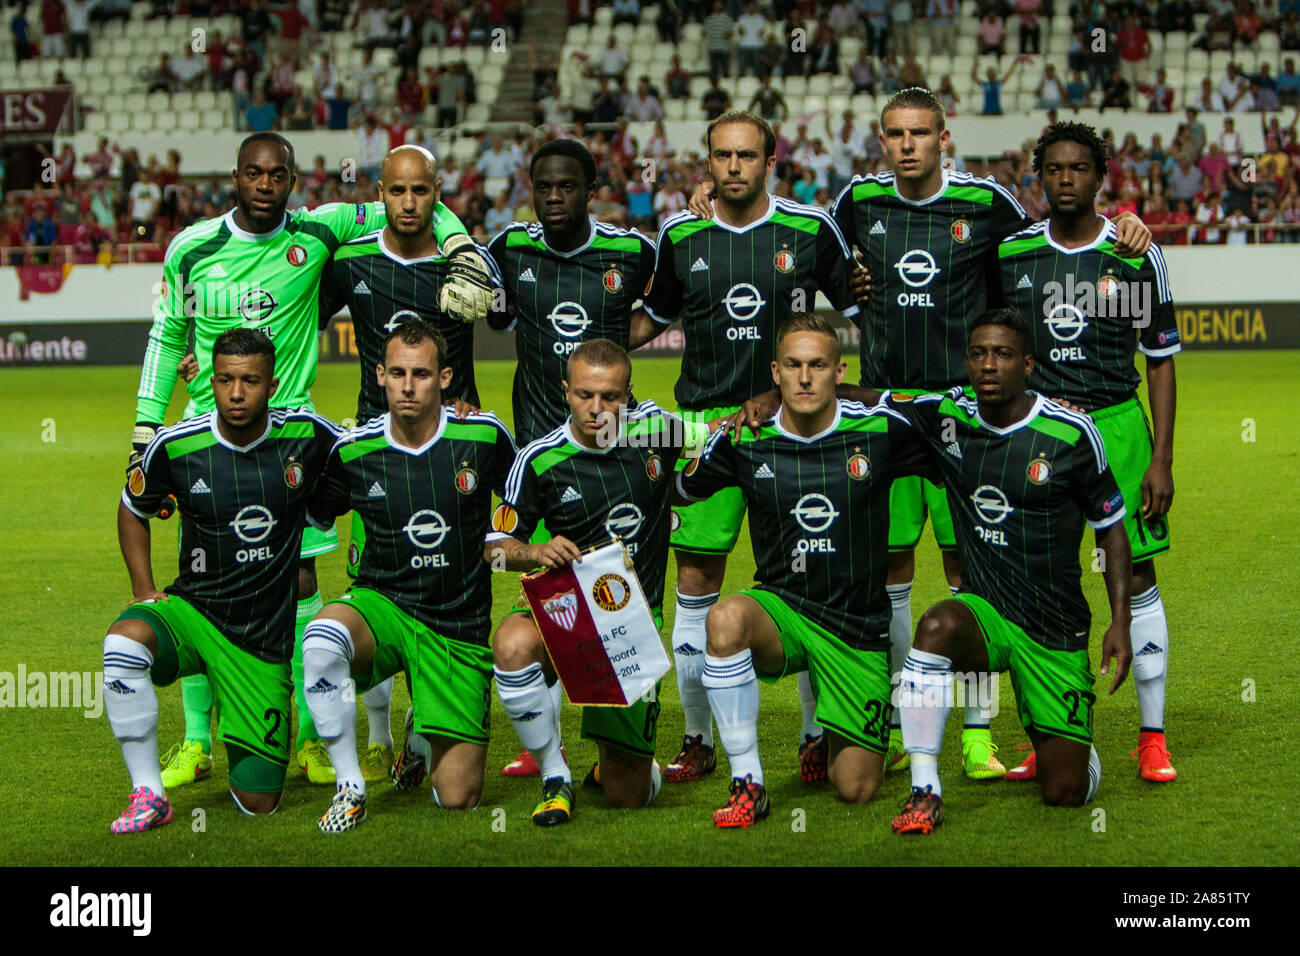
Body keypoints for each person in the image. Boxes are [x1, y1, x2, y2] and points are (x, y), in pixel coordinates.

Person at [735, 88, 1150, 778]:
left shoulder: (987, 205)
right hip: (889, 421)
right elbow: (800, 247)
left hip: (971, 421)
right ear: (882, 138)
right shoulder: (856, 205)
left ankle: (977, 735)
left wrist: (1124, 226)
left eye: (919, 133)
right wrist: (705, 208)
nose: (907, 145)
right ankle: (894, 719)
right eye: (895, 133)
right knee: (881, 574)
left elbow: (1049, 236)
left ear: (942, 137)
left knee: (975, 580)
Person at [133, 132, 485, 792]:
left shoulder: (319, 231)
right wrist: (146, 426)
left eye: (278, 175)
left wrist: (462, 245)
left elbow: (411, 200)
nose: (265, 184)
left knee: (299, 582)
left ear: (293, 180)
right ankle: (197, 740)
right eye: (253, 174)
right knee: (207, 589)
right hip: (208, 439)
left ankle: (311, 742)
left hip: (295, 441)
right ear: (234, 177)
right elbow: (164, 336)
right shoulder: (192, 248)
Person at [648, 110, 861, 788]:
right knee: (694, 587)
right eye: (721, 155)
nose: (733, 166)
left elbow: (864, 308)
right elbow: (646, 319)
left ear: (771, 159)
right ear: (706, 161)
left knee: (809, 584)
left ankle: (814, 738)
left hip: (793, 429)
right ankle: (696, 738)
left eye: (746, 155)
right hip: (705, 429)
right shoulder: (681, 234)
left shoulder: (809, 229)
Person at [676, 315, 937, 827]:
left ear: (839, 372)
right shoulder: (744, 439)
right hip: (783, 614)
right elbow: (676, 488)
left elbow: (962, 425)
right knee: (725, 618)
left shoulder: (881, 432)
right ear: (775, 372)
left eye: (817, 365)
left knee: (857, 789)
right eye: (793, 366)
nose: (804, 378)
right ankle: (747, 783)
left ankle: (831, 731)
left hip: (856, 629)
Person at [883, 309, 1133, 833]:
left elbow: (1110, 527)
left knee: (1064, 794)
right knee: (935, 627)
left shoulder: (1071, 432)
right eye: (978, 353)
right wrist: (771, 401)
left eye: (1002, 354)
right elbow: (869, 399)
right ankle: (925, 789)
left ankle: (1067, 745)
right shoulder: (951, 416)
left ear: (1028, 364)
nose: (987, 365)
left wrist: (1120, 621)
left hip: (1054, 628)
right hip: (986, 615)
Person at [995, 121, 1180, 783]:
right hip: (1039, 433)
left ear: (1101, 176)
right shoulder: (1013, 254)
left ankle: (1151, 737)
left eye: (1078, 168)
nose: (1065, 179)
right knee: (1038, 585)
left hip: (1119, 430)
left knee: (1134, 579)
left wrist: (1160, 460)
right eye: (1054, 169)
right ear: (1037, 175)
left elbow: (1159, 360)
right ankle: (1051, 731)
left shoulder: (1133, 253)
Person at [105, 330, 340, 832]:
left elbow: (369, 449)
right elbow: (132, 507)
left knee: (259, 801)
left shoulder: (306, 437)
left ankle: (252, 736)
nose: (236, 393)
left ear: (272, 384)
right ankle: (148, 792)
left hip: (259, 645)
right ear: (211, 381)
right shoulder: (177, 444)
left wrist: (450, 414)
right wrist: (144, 590)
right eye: (227, 380)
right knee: (123, 644)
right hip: (195, 613)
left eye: (250, 381)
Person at [482, 139, 665, 776]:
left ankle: (629, 711)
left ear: (591, 191)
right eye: (543, 186)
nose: (554, 196)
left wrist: (605, 371)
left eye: (567, 187)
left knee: (622, 568)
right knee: (551, 585)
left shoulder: (632, 250)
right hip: (543, 445)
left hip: (614, 441)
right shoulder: (510, 248)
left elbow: (662, 309)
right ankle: (547, 744)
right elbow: (484, 309)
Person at [485, 339, 710, 825]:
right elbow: (494, 551)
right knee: (512, 643)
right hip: (566, 613)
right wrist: (535, 552)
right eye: (584, 395)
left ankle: (624, 762)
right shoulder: (538, 459)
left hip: (632, 628)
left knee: (627, 796)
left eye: (610, 397)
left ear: (629, 392)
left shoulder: (659, 431)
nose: (597, 409)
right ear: (565, 391)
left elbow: (712, 440)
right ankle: (554, 776)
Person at [302, 321, 516, 831]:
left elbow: (525, 500)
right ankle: (350, 788)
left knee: (458, 798)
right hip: (385, 607)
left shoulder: (483, 437)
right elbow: (311, 517)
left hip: (456, 629)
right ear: (379, 375)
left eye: (421, 374)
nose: (407, 385)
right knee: (323, 640)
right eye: (397, 372)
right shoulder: (353, 451)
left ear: (445, 377)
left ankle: (422, 727)